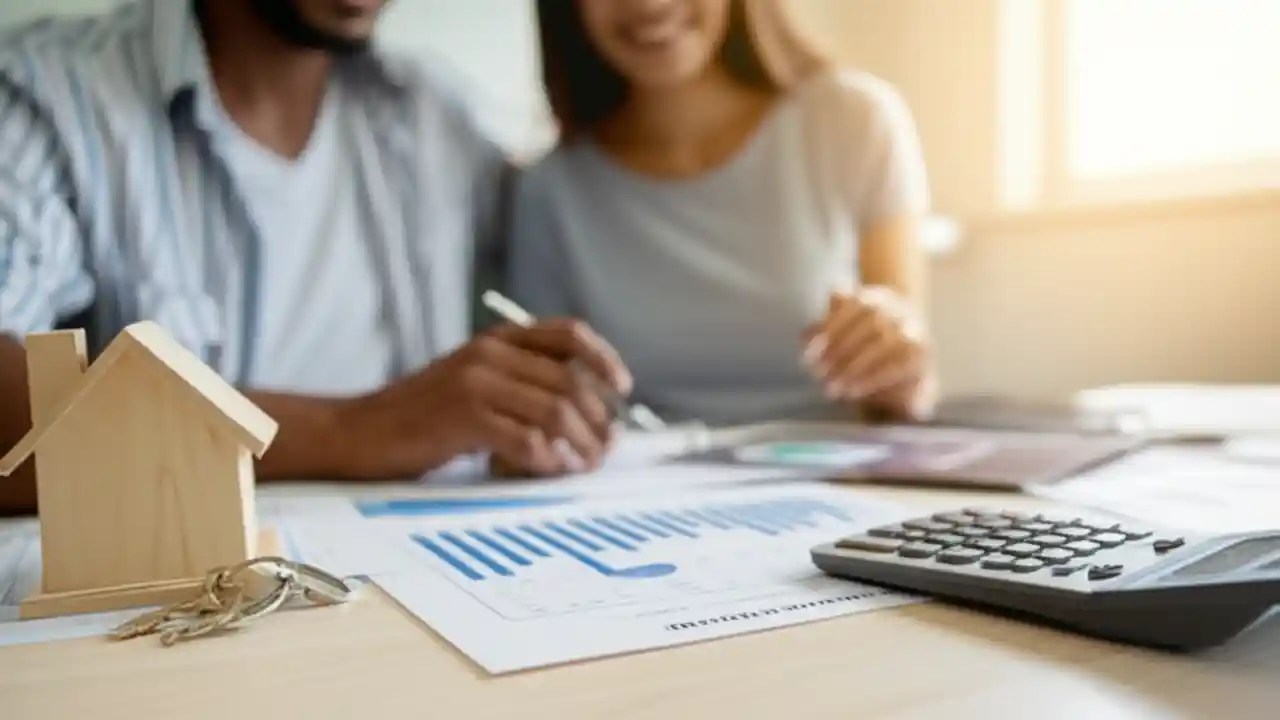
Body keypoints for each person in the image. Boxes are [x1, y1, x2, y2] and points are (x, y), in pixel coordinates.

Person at [0, 0, 632, 514]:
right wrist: (362, 430)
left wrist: (526, 408)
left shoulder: (435, 116)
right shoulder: (47, 94)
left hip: (418, 578)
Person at [510, 0, 937, 426]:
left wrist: (897, 359)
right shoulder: (550, 189)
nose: (647, 4)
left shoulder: (854, 119)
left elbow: (909, 374)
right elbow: (549, 403)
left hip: (840, 464)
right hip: (646, 479)